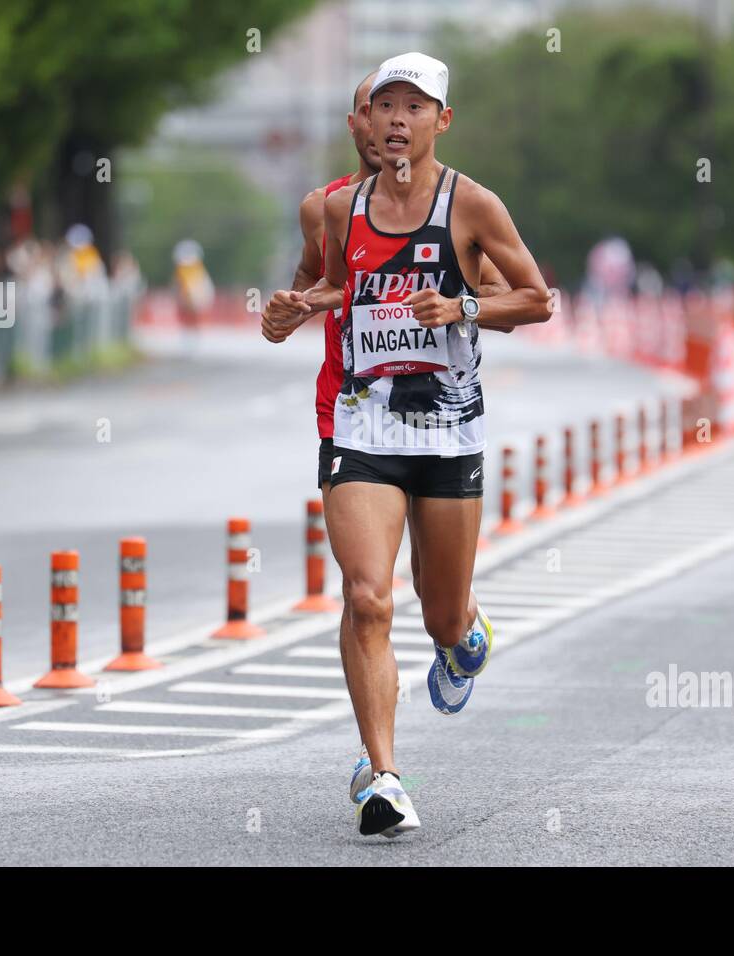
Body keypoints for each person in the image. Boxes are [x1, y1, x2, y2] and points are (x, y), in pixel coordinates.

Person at [265, 52, 552, 837]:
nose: (398, 119)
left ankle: (465, 637)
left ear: (441, 121)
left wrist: (458, 309)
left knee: (440, 614)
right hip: (363, 424)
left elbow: (536, 299)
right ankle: (381, 774)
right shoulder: (337, 210)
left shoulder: (473, 206)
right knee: (366, 597)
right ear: (366, 120)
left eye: (415, 107)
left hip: (448, 428)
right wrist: (293, 310)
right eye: (386, 104)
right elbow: (336, 287)